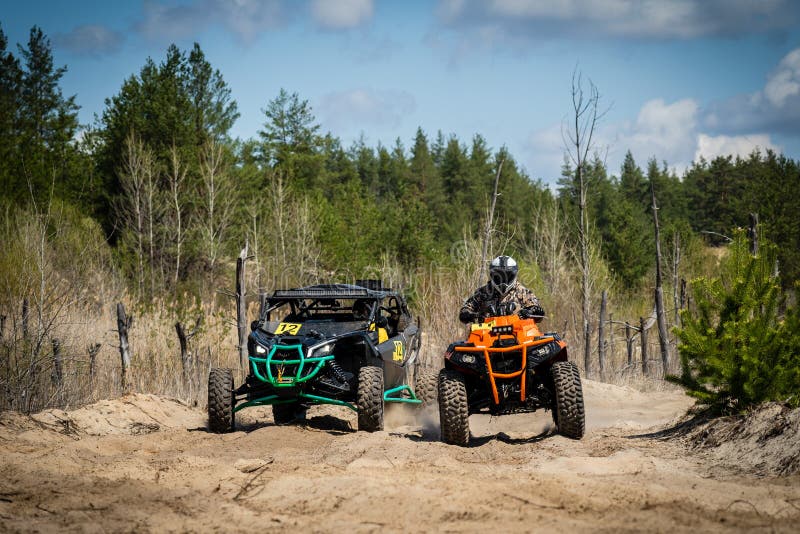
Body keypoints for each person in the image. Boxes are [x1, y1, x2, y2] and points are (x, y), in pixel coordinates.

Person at [459, 255, 545, 323]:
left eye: (507, 276)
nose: (503, 281)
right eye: (499, 276)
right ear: (492, 275)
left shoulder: (524, 293)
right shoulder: (482, 292)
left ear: (514, 275)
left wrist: (530, 311)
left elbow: (538, 312)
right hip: (486, 335)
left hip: (519, 335)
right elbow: (465, 310)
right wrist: (475, 315)